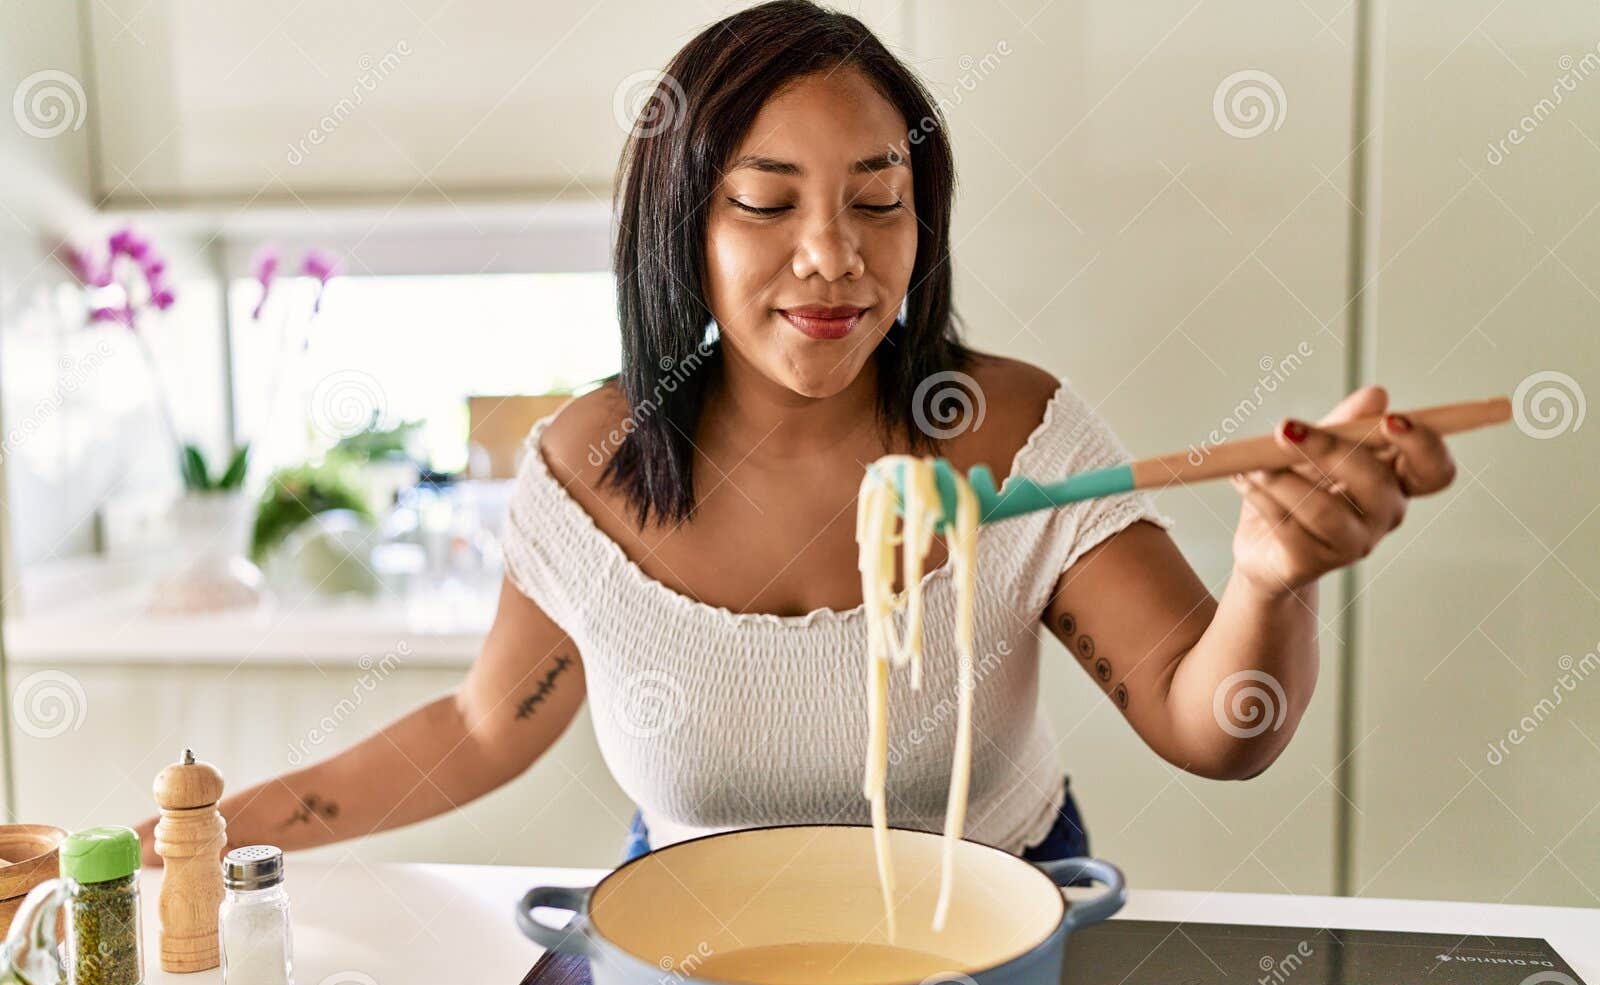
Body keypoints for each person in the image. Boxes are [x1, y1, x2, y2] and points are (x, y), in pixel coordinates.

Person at [136, 1, 1456, 869]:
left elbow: (1214, 723)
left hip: (992, 939)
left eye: (878, 202)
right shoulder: (590, 469)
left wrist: (1277, 577)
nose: (832, 257)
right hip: (697, 949)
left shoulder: (1015, 430)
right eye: (767, 203)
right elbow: (482, 729)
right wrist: (204, 835)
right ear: (683, 231)